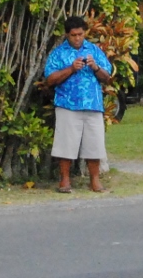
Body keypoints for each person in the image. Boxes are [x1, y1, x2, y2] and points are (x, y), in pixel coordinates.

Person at [44, 15, 115, 194]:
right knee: (66, 144)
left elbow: (107, 77)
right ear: (67, 35)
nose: (77, 38)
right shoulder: (58, 53)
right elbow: (50, 79)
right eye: (73, 35)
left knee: (94, 144)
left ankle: (95, 181)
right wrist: (71, 69)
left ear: (85, 33)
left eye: (80, 34)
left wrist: (95, 67)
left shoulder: (94, 50)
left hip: (93, 104)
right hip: (67, 104)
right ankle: (64, 181)